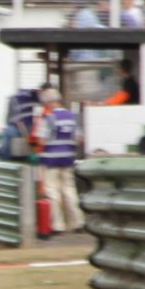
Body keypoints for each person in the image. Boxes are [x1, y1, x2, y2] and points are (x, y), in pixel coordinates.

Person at [34, 88, 84, 235]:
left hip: (50, 160)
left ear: (49, 103)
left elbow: (40, 139)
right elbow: (79, 138)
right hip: (68, 158)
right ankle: (78, 222)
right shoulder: (72, 117)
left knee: (52, 192)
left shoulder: (48, 118)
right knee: (69, 190)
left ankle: (58, 225)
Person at [0, 85, 42, 160]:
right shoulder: (35, 97)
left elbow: (10, 119)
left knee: (7, 134)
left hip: (23, 128)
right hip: (33, 129)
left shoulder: (14, 98)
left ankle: (4, 159)